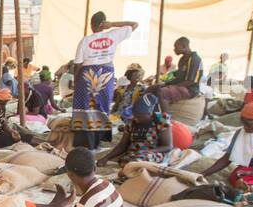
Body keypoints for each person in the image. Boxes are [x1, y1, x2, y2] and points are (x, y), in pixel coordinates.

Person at [72, 11, 138, 150]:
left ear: (92, 24)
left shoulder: (85, 40)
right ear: (104, 23)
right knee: (101, 106)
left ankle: (86, 142)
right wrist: (112, 24)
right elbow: (134, 24)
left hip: (87, 74)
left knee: (84, 107)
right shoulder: (113, 35)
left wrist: (77, 81)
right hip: (106, 74)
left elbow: (77, 64)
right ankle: (98, 141)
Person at [102, 92, 174, 165]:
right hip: (133, 155)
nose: (136, 119)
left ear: (150, 113)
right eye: (134, 115)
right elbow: (122, 145)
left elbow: (168, 146)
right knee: (127, 161)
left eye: (139, 116)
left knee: (139, 161)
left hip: (153, 154)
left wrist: (148, 151)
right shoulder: (131, 122)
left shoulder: (161, 121)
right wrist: (106, 158)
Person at [151, 36, 204, 107]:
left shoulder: (194, 59)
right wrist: (165, 83)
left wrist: (171, 86)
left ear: (184, 46)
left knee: (161, 92)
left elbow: (191, 81)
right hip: (181, 86)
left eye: (176, 47)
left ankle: (165, 116)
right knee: (153, 88)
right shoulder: (182, 59)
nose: (174, 49)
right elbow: (178, 78)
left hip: (190, 89)